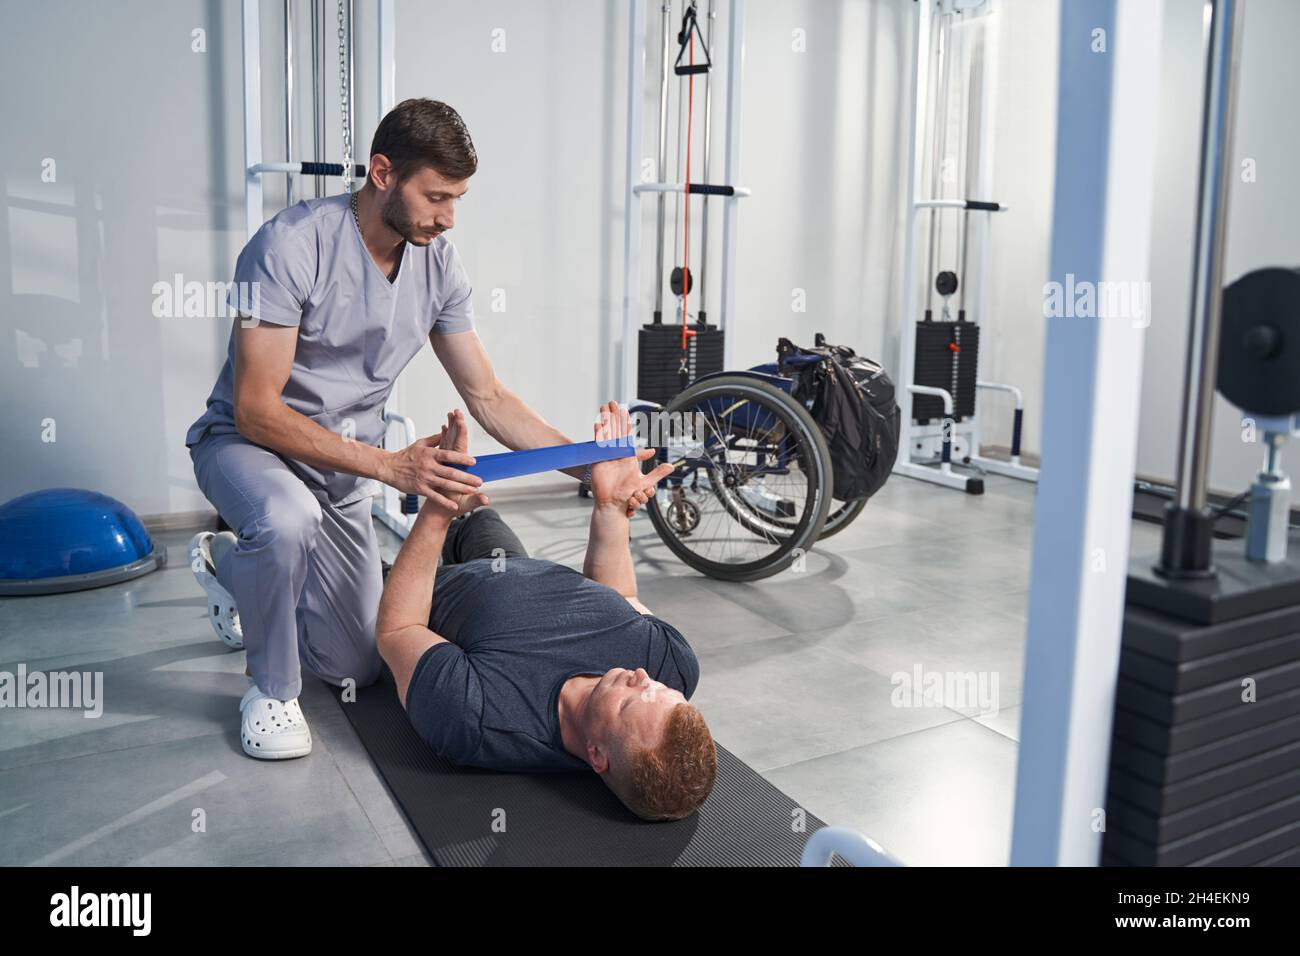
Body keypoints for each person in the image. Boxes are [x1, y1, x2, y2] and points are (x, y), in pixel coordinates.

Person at [186, 99, 600, 760]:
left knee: (356, 668)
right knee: (286, 519)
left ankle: (232, 566)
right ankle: (268, 691)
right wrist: (389, 468)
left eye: (457, 199)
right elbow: (256, 409)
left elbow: (490, 396)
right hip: (248, 449)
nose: (448, 217)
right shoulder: (288, 246)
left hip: (343, 471)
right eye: (436, 196)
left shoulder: (438, 267)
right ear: (383, 172)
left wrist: (591, 463)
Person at [377, 403, 716, 821]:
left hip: (423, 588)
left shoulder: (476, 716)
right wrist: (610, 509)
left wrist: (436, 513)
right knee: (482, 516)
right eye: (662, 690)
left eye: (629, 702)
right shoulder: (672, 665)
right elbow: (617, 597)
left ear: (596, 754)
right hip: (507, 561)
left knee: (341, 562)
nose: (641, 676)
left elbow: (398, 628)